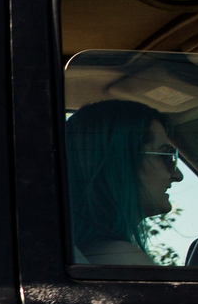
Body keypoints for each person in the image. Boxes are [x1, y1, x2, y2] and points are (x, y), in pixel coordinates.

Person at [66, 99, 184, 265]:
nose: (178, 175)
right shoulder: (121, 258)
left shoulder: (86, 253)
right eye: (165, 156)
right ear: (119, 163)